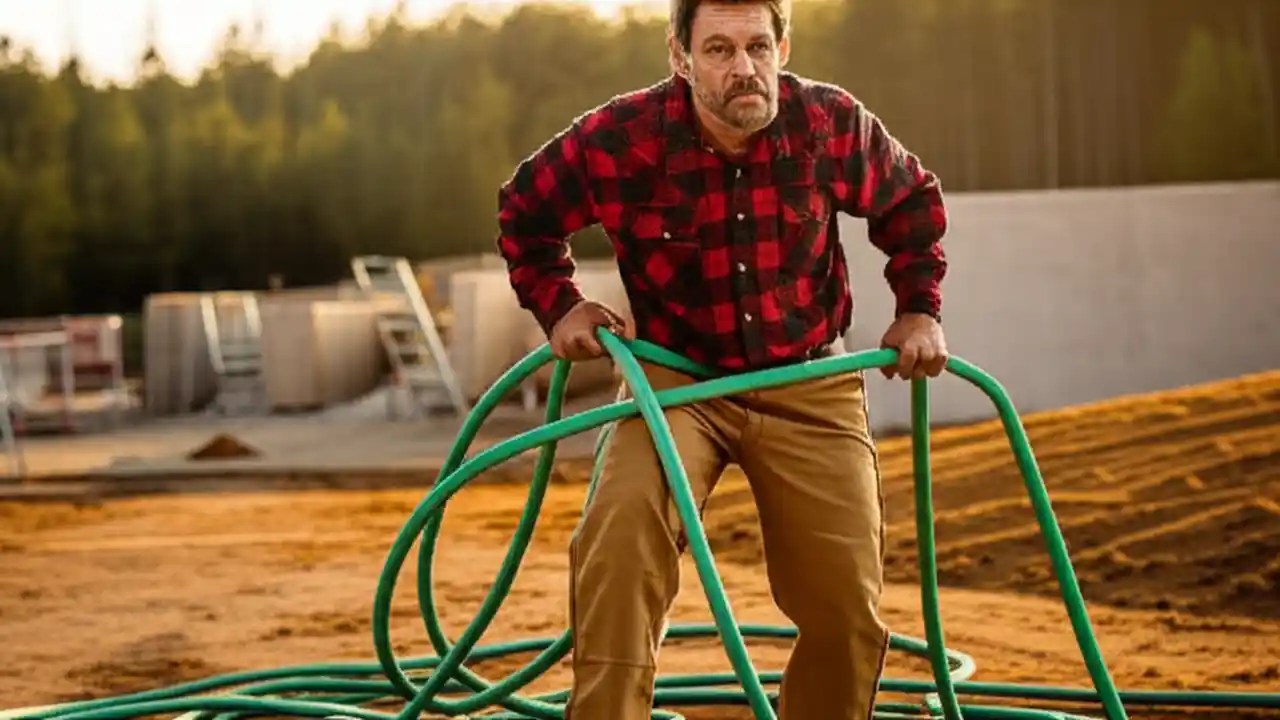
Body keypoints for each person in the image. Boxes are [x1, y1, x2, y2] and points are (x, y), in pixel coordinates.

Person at [495, 0, 949, 716]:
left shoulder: (828, 122)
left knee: (845, 597)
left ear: (782, 49)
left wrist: (918, 309)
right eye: (718, 50)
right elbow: (524, 212)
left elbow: (912, 204)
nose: (744, 69)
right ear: (679, 57)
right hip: (676, 382)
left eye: (758, 47)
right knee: (619, 541)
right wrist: (561, 307)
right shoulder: (623, 136)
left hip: (808, 378)